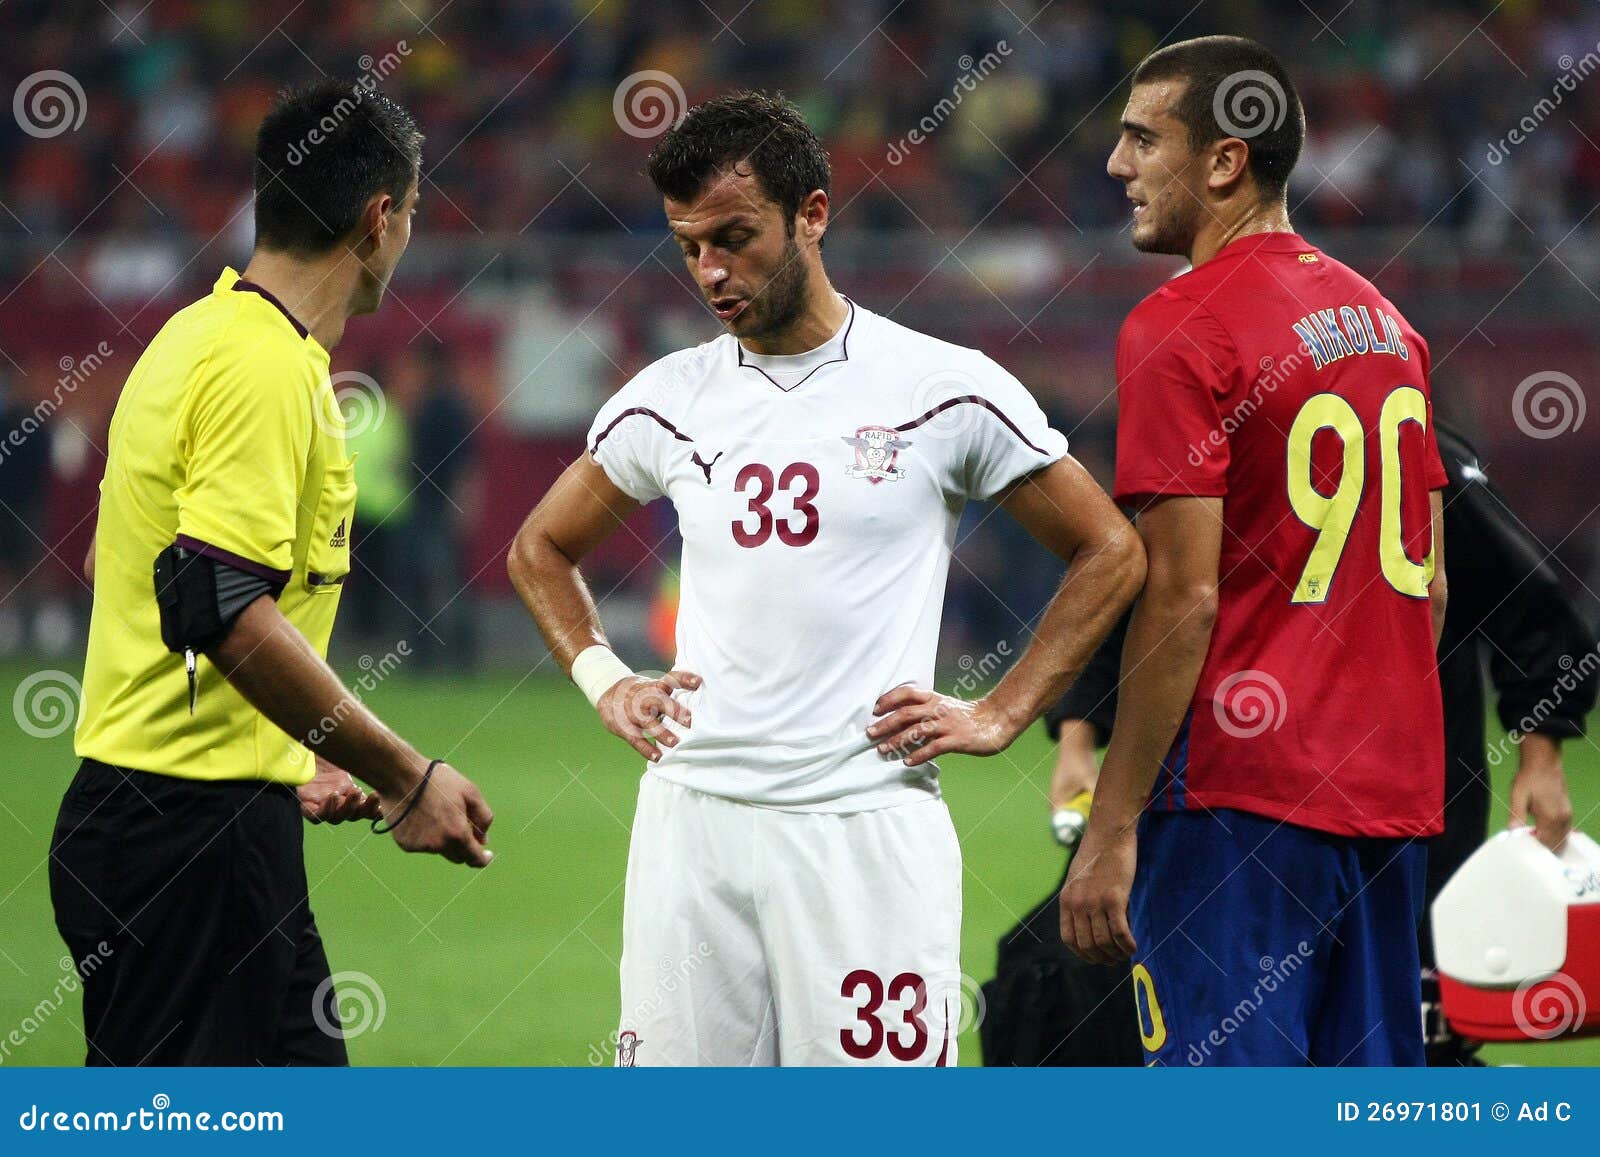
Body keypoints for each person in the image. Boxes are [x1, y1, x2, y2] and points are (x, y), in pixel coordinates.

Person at [507, 91, 1145, 1067]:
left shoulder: (940, 387)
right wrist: (605, 677)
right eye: (688, 246)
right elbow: (538, 549)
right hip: (692, 825)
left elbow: (1110, 548)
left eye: (734, 236)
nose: (711, 271)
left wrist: (1003, 710)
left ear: (812, 213)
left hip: (861, 826)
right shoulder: (670, 398)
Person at [50, 80, 494, 1068]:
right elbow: (217, 601)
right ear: (379, 218)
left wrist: (290, 744)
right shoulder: (263, 369)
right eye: (412, 215)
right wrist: (402, 773)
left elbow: (113, 559)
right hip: (188, 847)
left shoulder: (196, 336)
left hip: (195, 820)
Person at [1058, 36, 1449, 1066]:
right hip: (1388, 797)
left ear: (1223, 160)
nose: (1117, 164)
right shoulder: (1387, 323)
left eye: (1143, 138)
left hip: (1236, 802)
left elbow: (1181, 600)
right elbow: (1433, 585)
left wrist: (1112, 820)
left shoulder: (1179, 325)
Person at [987, 422, 1596, 1065]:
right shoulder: (1220, 446)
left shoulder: (1414, 450)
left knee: (1396, 1040)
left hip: (1393, 815)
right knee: (1225, 1025)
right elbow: (1152, 599)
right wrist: (1079, 740)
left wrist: (1543, 750)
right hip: (1235, 806)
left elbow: (1527, 604)